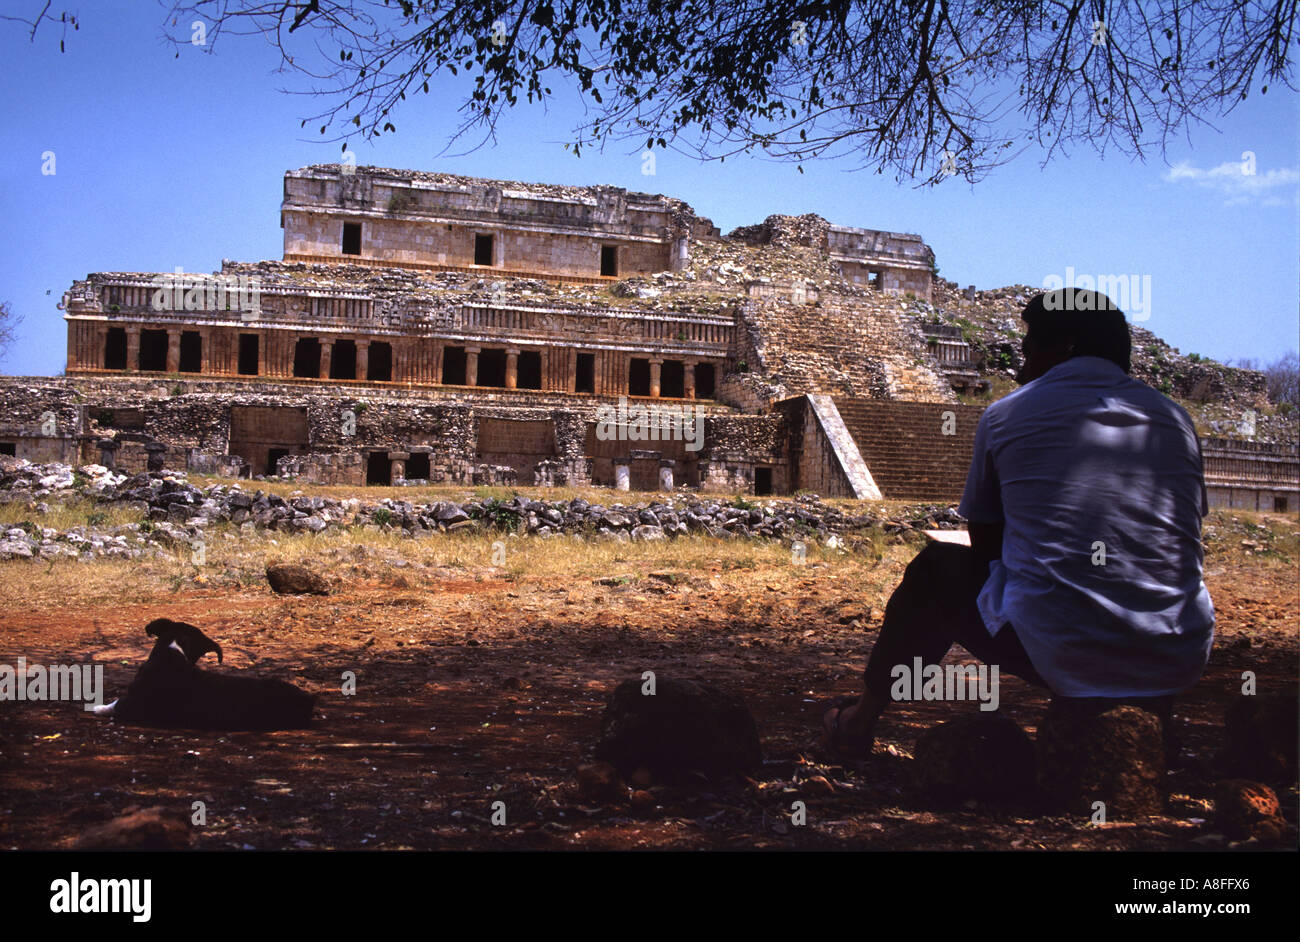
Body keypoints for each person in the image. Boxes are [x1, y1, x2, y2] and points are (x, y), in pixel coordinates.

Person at [822, 288, 1215, 755]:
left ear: (1063, 347)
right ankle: (1148, 720)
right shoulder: (1174, 418)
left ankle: (859, 722)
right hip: (1176, 650)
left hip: (1062, 647)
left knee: (936, 570)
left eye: (1028, 347)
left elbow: (988, 550)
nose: (1019, 365)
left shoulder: (1009, 414)